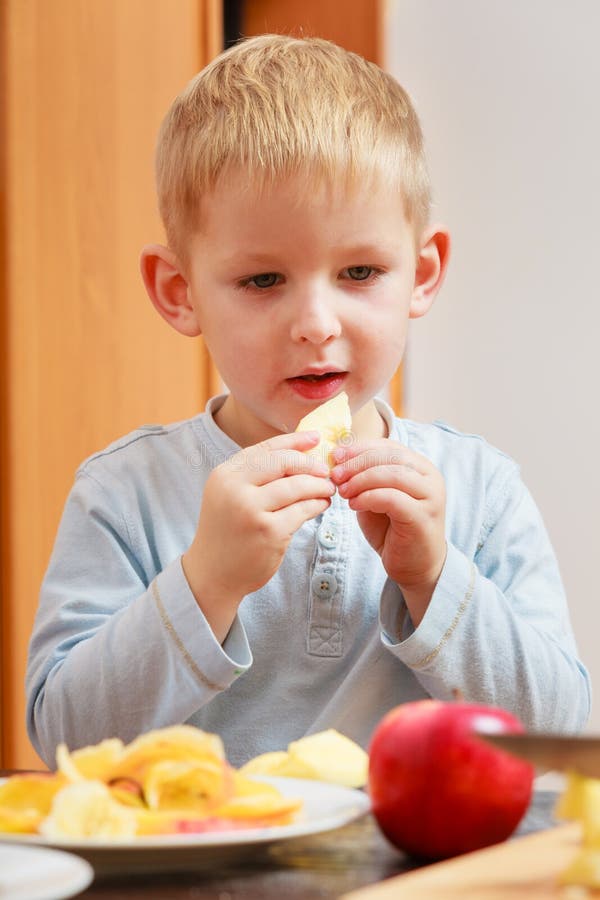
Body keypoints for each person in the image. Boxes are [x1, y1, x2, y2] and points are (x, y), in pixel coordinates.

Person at [26, 34, 590, 768]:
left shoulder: (480, 491)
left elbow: (557, 732)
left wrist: (434, 577)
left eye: (359, 271)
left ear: (421, 274)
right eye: (263, 281)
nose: (317, 324)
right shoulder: (124, 494)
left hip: (415, 879)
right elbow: (62, 738)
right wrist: (208, 581)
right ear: (180, 291)